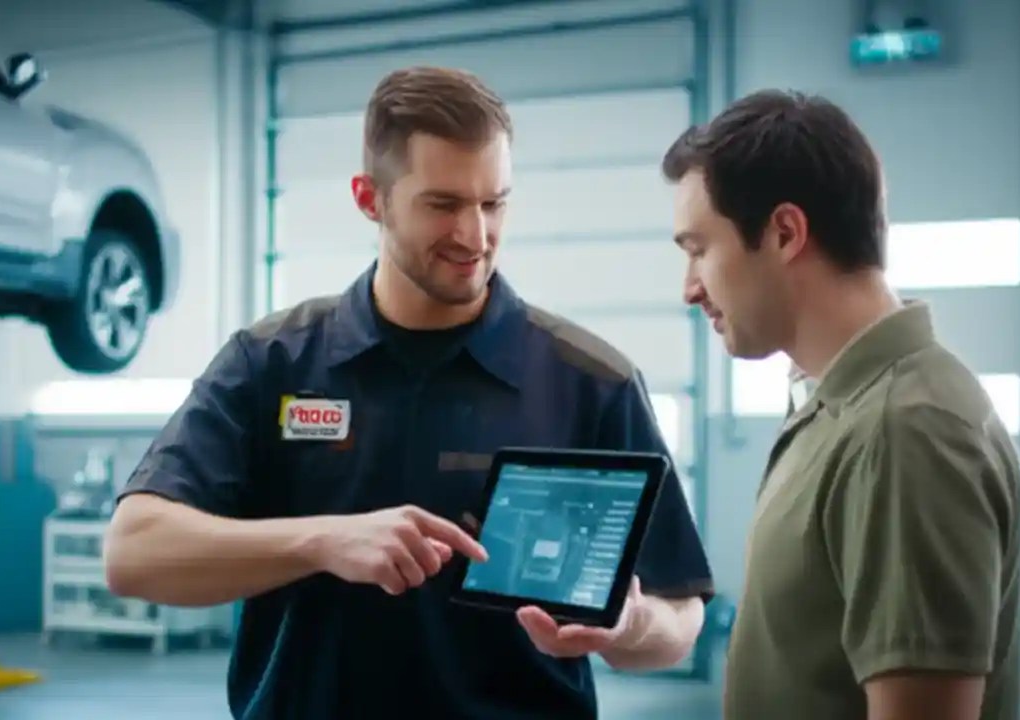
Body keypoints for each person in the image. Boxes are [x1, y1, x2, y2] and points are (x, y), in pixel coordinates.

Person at [104, 66, 713, 720]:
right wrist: (323, 542)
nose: (476, 237)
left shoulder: (590, 381)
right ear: (371, 199)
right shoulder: (271, 364)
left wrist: (629, 627)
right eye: (444, 205)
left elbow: (680, 614)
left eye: (494, 203)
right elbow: (134, 552)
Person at [662, 89, 1020, 720]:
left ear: (783, 232)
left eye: (699, 249)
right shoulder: (835, 404)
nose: (690, 288)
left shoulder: (906, 432)